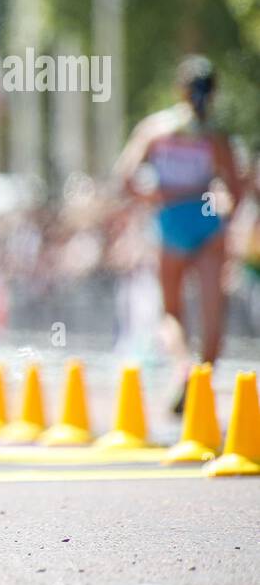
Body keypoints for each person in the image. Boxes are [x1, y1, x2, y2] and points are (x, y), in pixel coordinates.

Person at [113, 55, 246, 411]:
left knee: (170, 312)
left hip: (171, 219)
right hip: (206, 216)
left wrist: (159, 195)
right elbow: (236, 191)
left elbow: (125, 177)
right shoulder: (217, 136)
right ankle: (201, 379)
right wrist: (222, 210)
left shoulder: (156, 130)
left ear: (179, 90)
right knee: (213, 311)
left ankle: (183, 366)